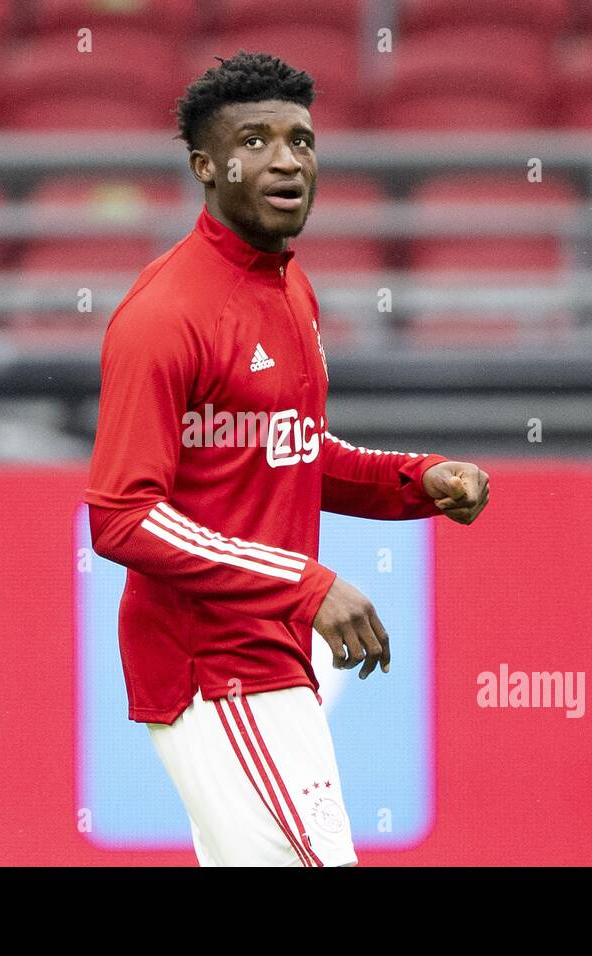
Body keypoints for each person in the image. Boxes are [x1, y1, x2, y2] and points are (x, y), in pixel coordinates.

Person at [84, 50, 489, 866]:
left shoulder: (289, 288)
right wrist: (307, 585)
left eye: (300, 140)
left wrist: (417, 481)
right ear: (205, 166)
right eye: (257, 141)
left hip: (266, 658)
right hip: (215, 666)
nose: (286, 160)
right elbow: (120, 517)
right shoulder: (163, 316)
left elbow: (292, 454)